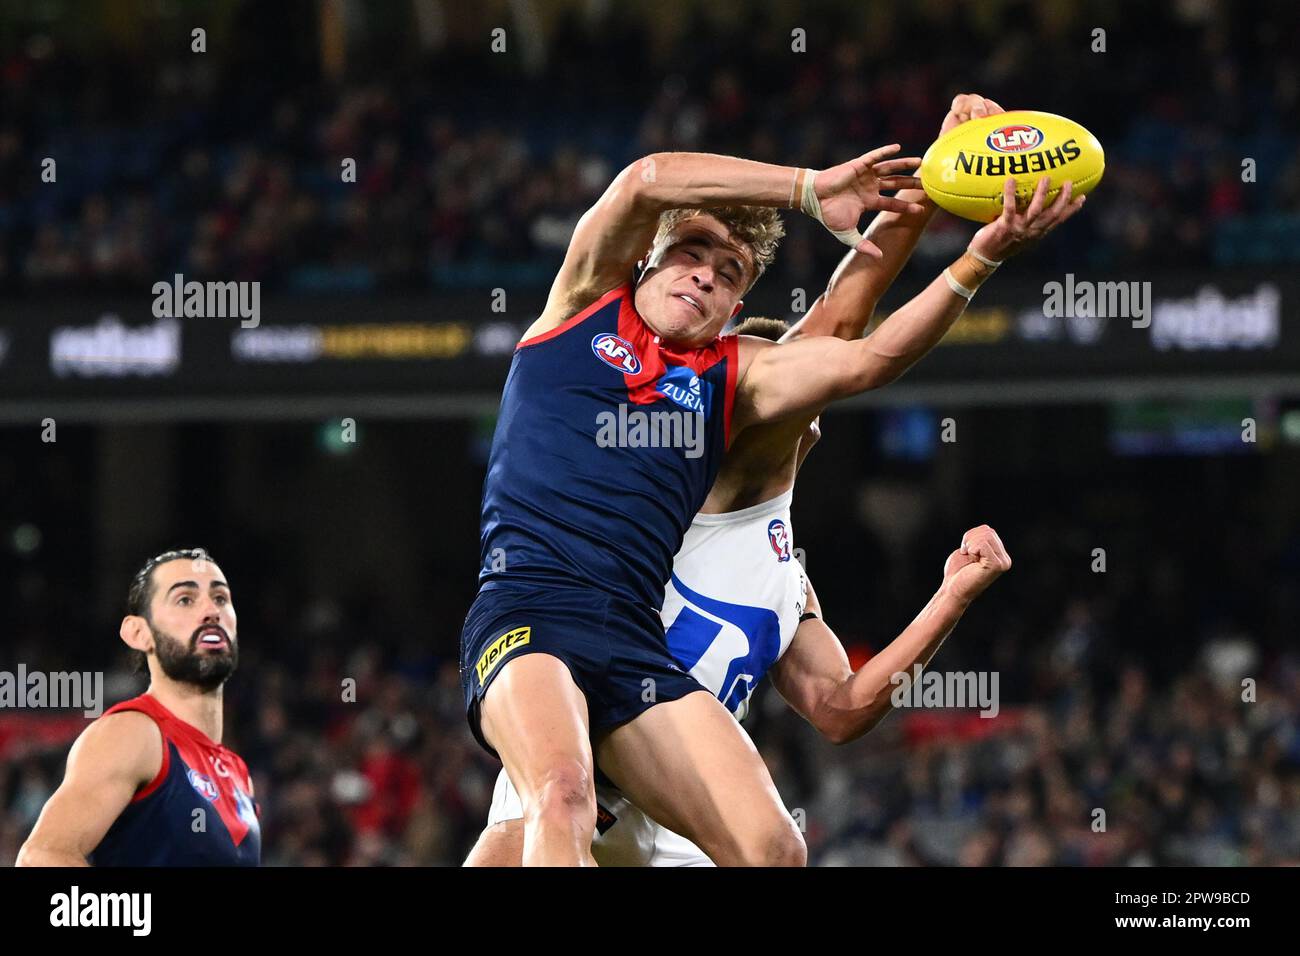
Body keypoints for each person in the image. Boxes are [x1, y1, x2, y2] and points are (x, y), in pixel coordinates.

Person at [462, 98, 1085, 865]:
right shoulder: (585, 311)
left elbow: (864, 356)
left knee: (776, 850)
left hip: (633, 669)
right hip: (535, 621)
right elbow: (652, 183)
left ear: (735, 307)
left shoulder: (734, 395)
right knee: (561, 794)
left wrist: (976, 247)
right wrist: (816, 188)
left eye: (729, 275)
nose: (705, 276)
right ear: (647, 261)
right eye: (691, 253)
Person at [17, 548, 259, 867]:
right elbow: (41, 857)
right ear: (138, 633)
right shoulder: (133, 733)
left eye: (221, 598)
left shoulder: (237, 772)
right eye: (185, 599)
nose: (211, 611)